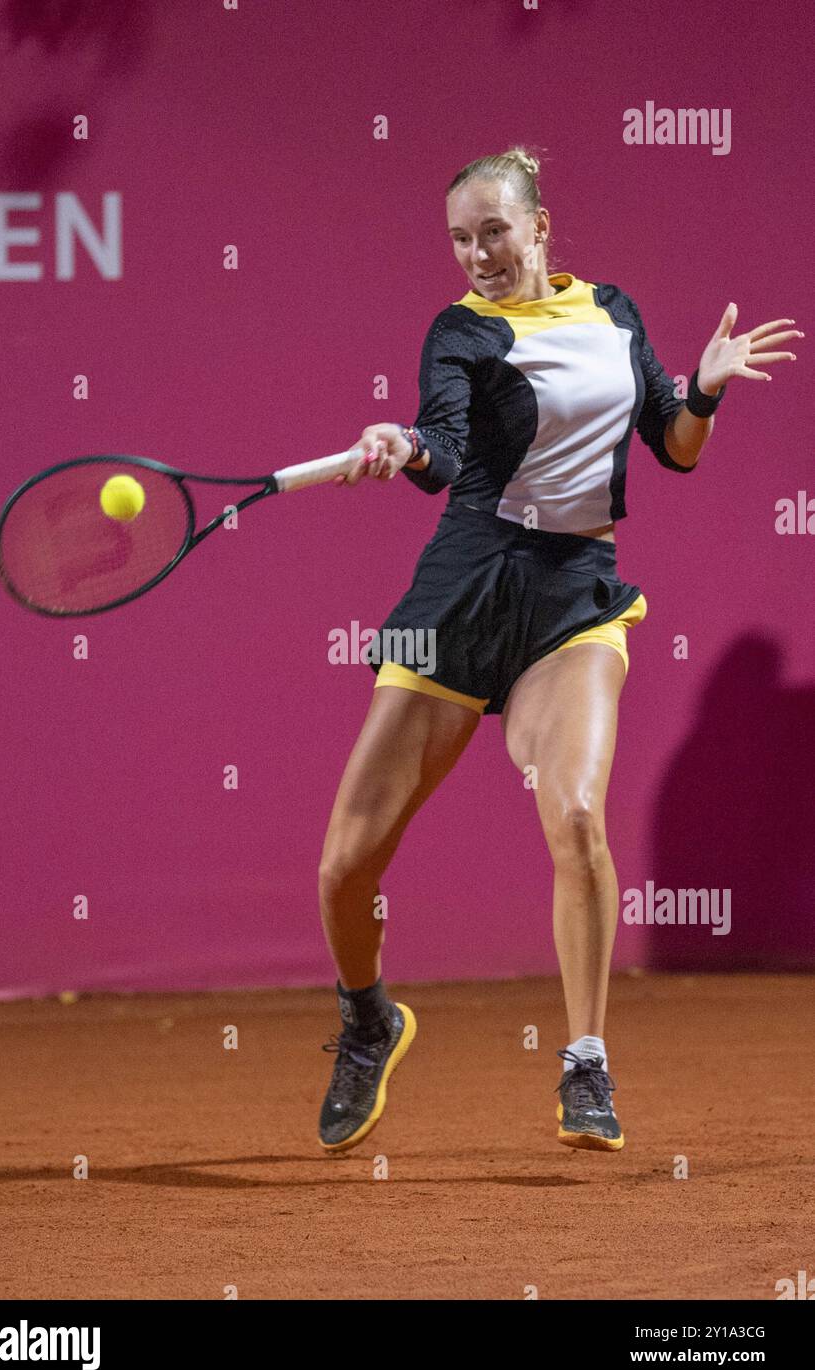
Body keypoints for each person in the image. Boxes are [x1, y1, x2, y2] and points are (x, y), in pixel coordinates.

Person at [317, 146, 801, 1155]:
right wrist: (401, 445)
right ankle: (369, 1020)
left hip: (571, 599)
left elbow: (670, 446)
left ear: (540, 226)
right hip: (455, 594)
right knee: (343, 865)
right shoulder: (457, 330)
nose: (477, 253)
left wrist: (700, 392)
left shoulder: (612, 313)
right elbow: (442, 447)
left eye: (493, 230)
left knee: (574, 811)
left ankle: (583, 1060)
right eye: (458, 237)